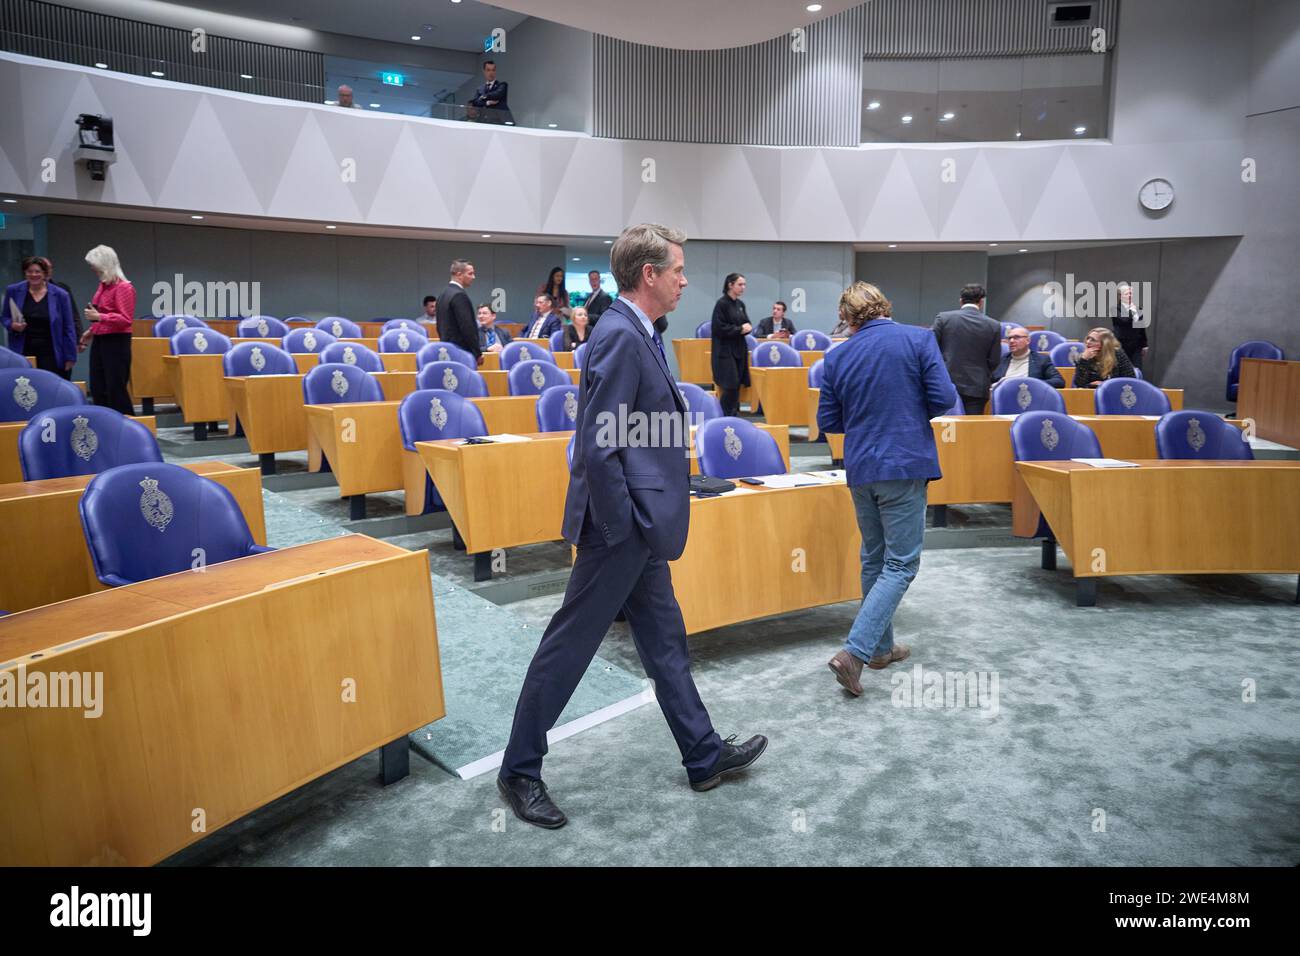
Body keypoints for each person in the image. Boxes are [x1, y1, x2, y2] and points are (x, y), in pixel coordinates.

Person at [497, 222, 767, 829]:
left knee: (666, 641)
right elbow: (597, 444)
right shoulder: (621, 335)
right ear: (648, 274)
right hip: (617, 529)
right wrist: (623, 527)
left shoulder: (640, 332)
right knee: (569, 647)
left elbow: (633, 430)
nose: (683, 279)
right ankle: (518, 770)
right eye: (676, 270)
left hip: (639, 525)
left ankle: (702, 754)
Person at [818, 282, 957, 696]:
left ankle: (880, 650)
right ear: (883, 306)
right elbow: (944, 397)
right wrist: (907, 411)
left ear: (847, 316)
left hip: (861, 467)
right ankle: (856, 652)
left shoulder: (838, 356)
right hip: (904, 461)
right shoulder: (918, 339)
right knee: (901, 564)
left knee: (874, 558)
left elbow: (829, 421)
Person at [81, 245, 136, 414]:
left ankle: (128, 427)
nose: (92, 268)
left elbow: (125, 319)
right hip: (101, 339)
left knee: (115, 389)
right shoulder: (103, 286)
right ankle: (104, 424)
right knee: (98, 387)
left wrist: (99, 318)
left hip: (117, 342)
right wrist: (91, 330)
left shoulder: (124, 287)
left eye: (94, 264)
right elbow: (101, 312)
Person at [2, 257, 78, 379]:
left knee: (50, 385)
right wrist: (11, 325)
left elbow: (68, 327)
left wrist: (70, 356)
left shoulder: (60, 295)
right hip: (23, 349)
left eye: (37, 271)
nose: (33, 275)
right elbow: (5, 317)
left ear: (45, 273)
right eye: (29, 271)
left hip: (51, 350)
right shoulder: (14, 290)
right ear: (25, 273)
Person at [932, 283, 1001, 416]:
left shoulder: (943, 318)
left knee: (944, 429)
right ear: (981, 302)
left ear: (961, 300)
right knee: (971, 431)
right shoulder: (994, 325)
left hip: (945, 383)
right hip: (977, 387)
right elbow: (994, 360)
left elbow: (930, 350)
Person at [710, 272, 751, 417]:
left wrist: (747, 328)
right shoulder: (722, 304)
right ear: (730, 285)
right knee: (731, 384)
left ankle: (733, 413)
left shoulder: (740, 304)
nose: (743, 287)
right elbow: (718, 327)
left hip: (739, 349)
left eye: (744, 284)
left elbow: (746, 322)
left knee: (737, 384)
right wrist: (740, 329)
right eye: (740, 284)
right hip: (725, 351)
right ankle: (724, 414)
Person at [434, 259, 481, 365]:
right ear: (459, 274)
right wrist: (477, 353)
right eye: (470, 273)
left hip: (447, 350)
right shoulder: (459, 295)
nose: (473, 277)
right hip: (462, 353)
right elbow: (467, 327)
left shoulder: (443, 294)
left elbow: (439, 326)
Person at [992, 326, 1065, 388]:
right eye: (1009, 338)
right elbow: (990, 380)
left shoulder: (1041, 360)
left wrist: (1031, 383)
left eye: (1016, 337)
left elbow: (1059, 381)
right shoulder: (1001, 359)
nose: (1011, 341)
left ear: (1028, 340)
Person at [39, 257, 82, 335]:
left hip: (58, 336)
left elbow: (74, 316)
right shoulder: (22, 290)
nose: (48, 271)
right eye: (45, 268)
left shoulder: (62, 289)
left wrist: (79, 339)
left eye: (50, 268)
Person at [1111, 283, 1147, 373]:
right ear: (1121, 296)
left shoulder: (1138, 308)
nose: (1130, 295)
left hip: (1136, 345)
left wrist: (1144, 344)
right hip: (1121, 345)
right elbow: (1124, 320)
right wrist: (1132, 310)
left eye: (1131, 293)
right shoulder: (1115, 309)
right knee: (1121, 370)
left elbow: (1141, 327)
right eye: (1127, 294)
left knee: (1137, 370)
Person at [468, 60, 512, 124]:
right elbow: (476, 103)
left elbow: (497, 95)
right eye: (488, 70)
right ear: (484, 72)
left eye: (493, 70)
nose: (491, 73)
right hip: (485, 121)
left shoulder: (502, 85)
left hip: (501, 121)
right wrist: (487, 102)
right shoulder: (480, 89)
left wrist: (483, 96)